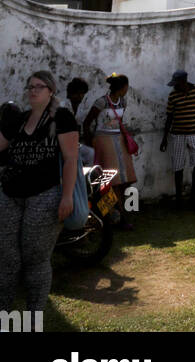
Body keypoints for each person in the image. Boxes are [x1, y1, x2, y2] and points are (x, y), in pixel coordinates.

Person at [0, 70, 78, 316]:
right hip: (10, 195)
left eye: (39, 86)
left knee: (35, 259)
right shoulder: (20, 119)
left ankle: (33, 317)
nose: (33, 90)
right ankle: (4, 312)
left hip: (44, 196)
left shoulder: (61, 118)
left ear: (51, 90)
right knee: (7, 259)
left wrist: (66, 197)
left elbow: (70, 159)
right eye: (30, 86)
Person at [82, 74, 137, 229]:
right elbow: (87, 123)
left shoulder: (123, 102)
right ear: (123, 87)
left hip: (118, 141)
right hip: (103, 141)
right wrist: (90, 146)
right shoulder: (101, 102)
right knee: (109, 182)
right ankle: (111, 216)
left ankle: (115, 214)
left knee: (125, 181)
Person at [160, 71, 195, 210]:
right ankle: (179, 199)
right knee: (178, 167)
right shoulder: (173, 95)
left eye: (177, 84)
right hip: (178, 135)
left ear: (184, 81)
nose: (175, 87)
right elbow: (169, 117)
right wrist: (164, 138)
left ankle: (193, 197)